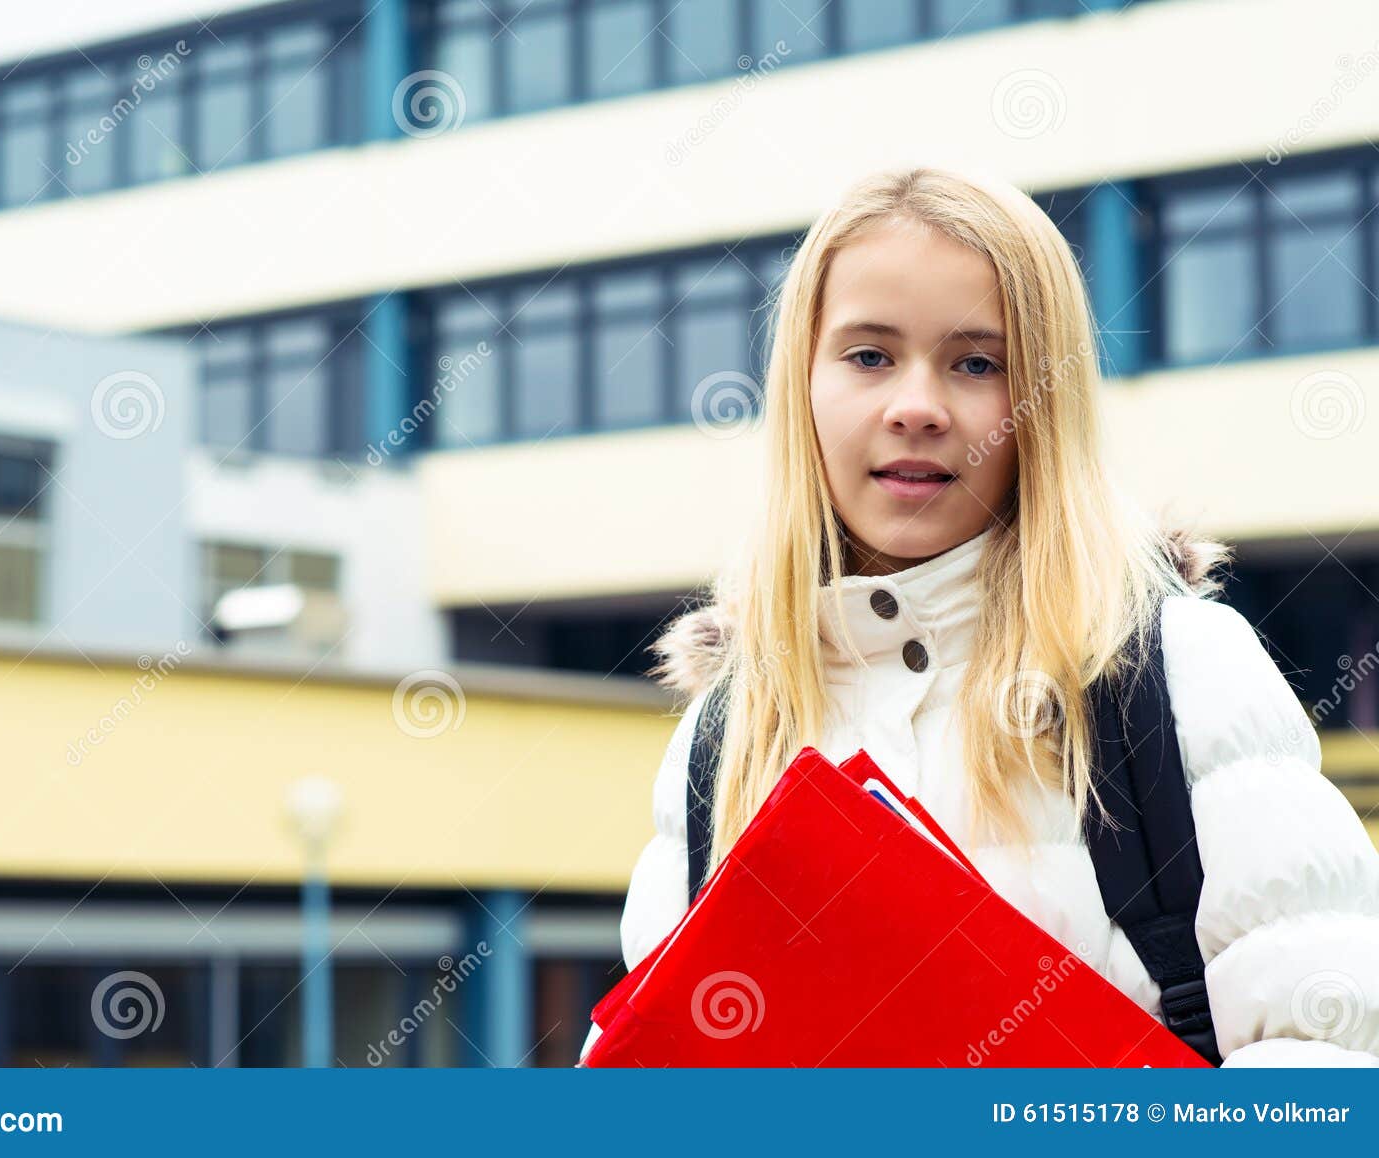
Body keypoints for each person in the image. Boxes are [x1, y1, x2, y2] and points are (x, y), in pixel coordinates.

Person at [581, 167, 1379, 1066]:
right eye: (869, 355)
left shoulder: (1171, 670)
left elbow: (1329, 1063)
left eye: (976, 363)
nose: (916, 407)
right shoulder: (722, 735)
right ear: (802, 385)